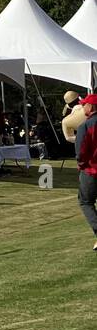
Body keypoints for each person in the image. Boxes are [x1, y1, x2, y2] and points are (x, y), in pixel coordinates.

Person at [74, 94, 97, 249]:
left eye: (84, 105)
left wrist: (81, 164)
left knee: (86, 201)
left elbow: (81, 152)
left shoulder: (86, 125)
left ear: (91, 107)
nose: (83, 107)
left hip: (91, 170)